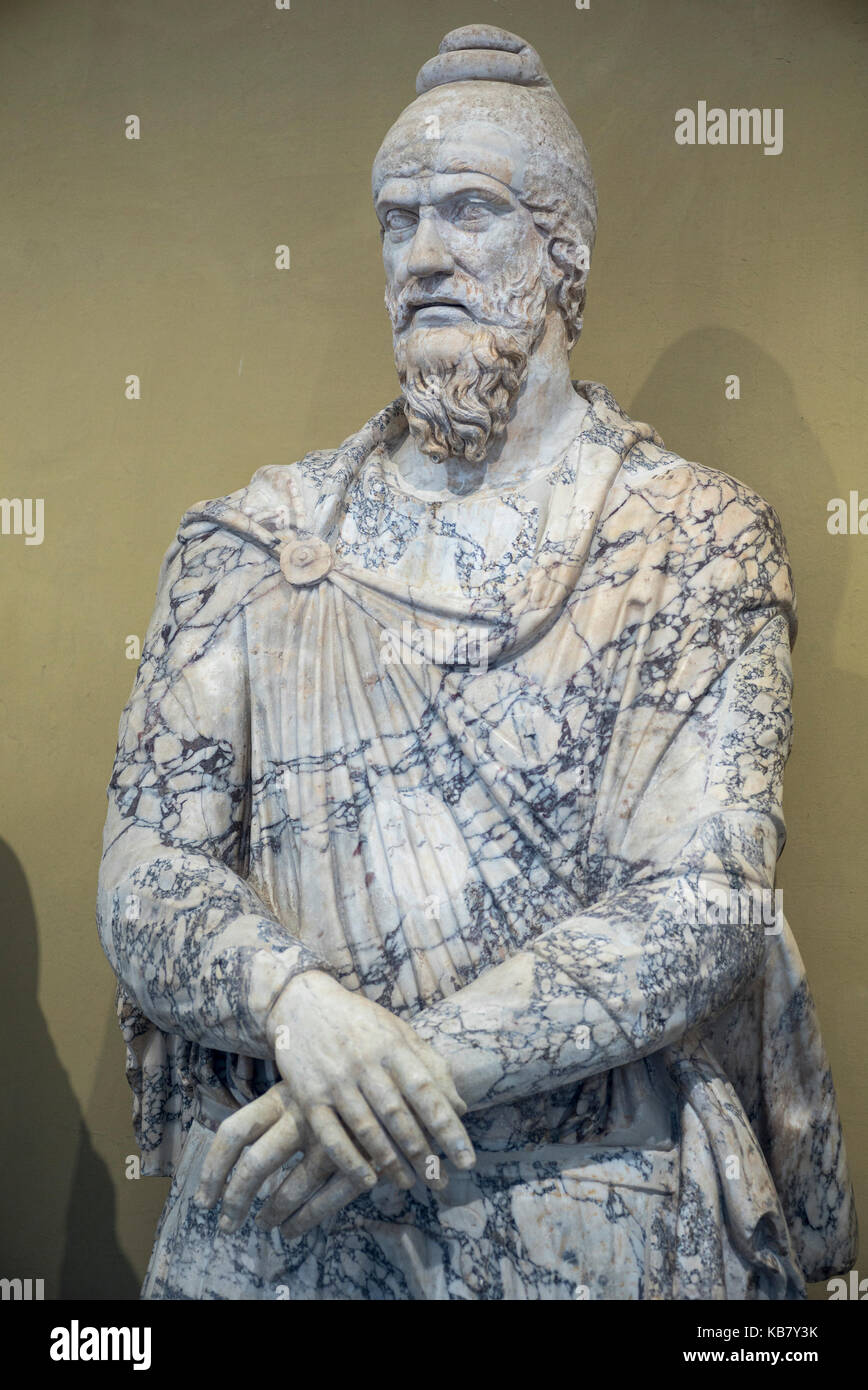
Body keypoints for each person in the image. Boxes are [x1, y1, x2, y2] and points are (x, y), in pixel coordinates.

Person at [98, 24, 856, 1300]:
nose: (424, 256)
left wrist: (396, 1083)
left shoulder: (692, 539)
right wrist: (300, 1010)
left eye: (468, 211)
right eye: (397, 223)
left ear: (565, 254)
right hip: (291, 1219)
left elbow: (702, 902)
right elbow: (144, 866)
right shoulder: (257, 540)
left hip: (587, 1196)